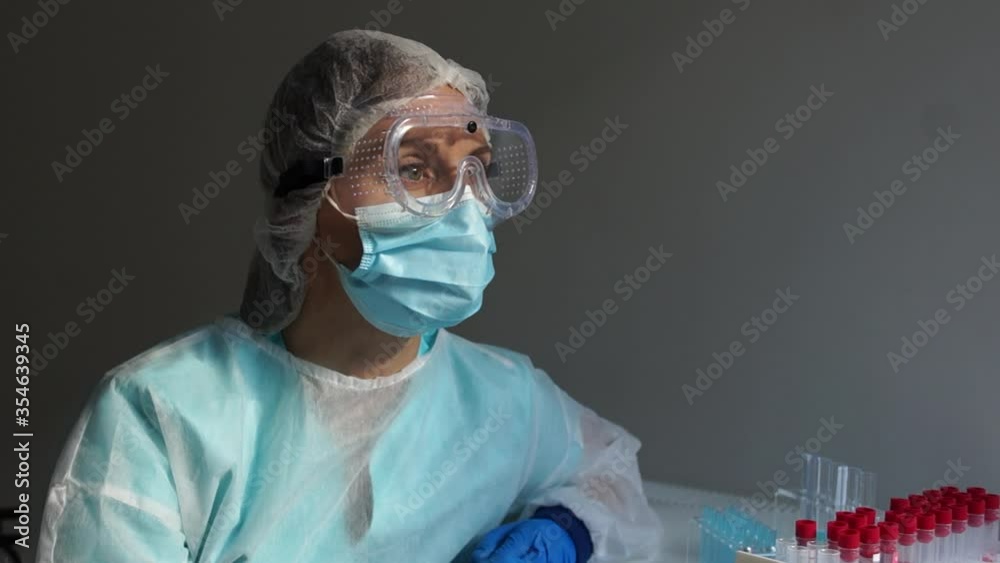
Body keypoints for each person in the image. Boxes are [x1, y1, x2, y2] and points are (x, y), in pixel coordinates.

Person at [37, 30, 663, 563]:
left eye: (479, 170)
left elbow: (610, 472)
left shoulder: (505, 400)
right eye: (415, 169)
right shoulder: (166, 412)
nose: (466, 210)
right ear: (310, 203)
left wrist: (564, 531)